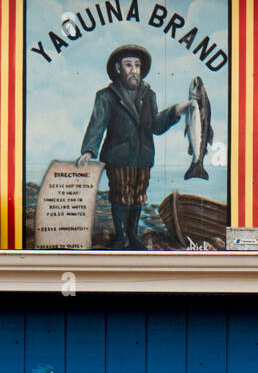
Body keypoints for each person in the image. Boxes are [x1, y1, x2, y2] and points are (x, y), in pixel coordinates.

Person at [77, 45, 190, 250]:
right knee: (120, 195)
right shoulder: (106, 96)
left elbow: (155, 125)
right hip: (118, 156)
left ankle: (132, 235)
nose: (134, 70)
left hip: (143, 157)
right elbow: (97, 124)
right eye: (128, 65)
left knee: (139, 195)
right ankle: (121, 238)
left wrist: (175, 112)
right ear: (118, 69)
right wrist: (88, 150)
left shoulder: (149, 94)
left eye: (137, 66)